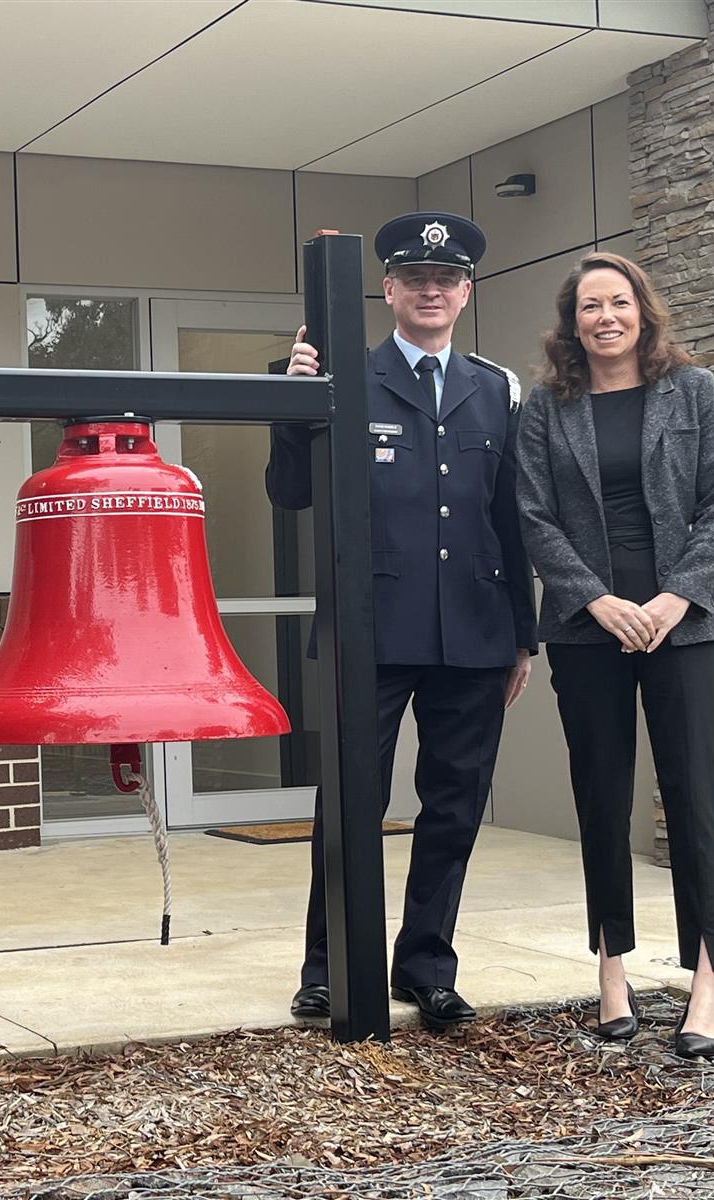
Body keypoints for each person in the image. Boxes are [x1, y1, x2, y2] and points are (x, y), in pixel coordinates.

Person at [269, 212, 537, 1030]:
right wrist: (293, 402)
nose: (431, 291)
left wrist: (523, 636)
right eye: (415, 278)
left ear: (465, 293)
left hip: (475, 631)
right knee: (350, 802)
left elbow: (510, 517)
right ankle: (329, 968)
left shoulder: (496, 389)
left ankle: (425, 966)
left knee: (455, 806)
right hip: (371, 629)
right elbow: (290, 491)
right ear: (387, 290)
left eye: (445, 280)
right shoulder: (342, 375)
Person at [516, 251, 714, 1058]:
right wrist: (596, 600)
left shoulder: (694, 391)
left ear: (642, 311)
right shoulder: (547, 408)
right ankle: (612, 968)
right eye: (589, 306)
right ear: (571, 323)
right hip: (589, 629)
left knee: (692, 798)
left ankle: (707, 978)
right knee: (602, 794)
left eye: (618, 302)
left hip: (683, 624)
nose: (605, 317)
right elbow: (533, 515)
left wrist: (675, 598)